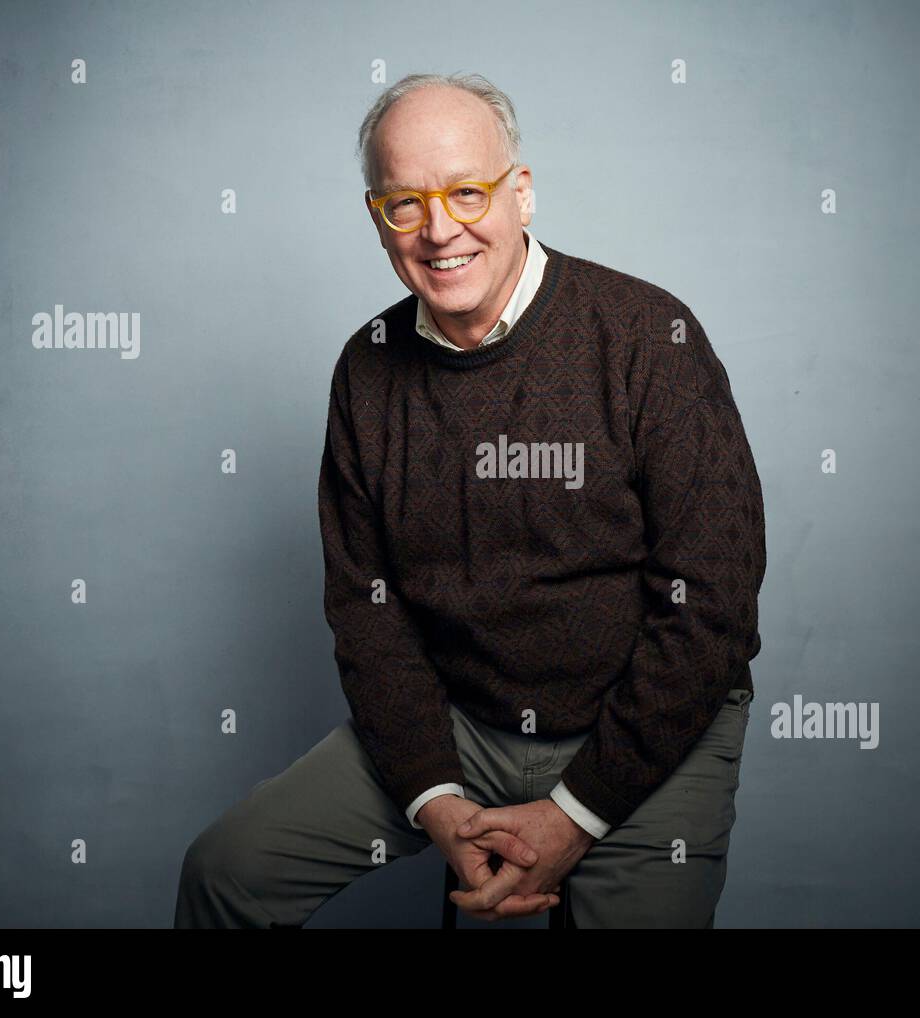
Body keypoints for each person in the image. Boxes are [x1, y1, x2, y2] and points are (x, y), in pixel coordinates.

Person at [174, 71, 766, 928]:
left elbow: (711, 606)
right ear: (376, 217)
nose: (439, 229)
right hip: (464, 730)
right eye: (404, 203)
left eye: (466, 191)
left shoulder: (649, 338)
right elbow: (366, 611)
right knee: (224, 871)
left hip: (649, 729)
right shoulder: (368, 367)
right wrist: (434, 797)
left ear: (520, 194)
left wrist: (576, 815)